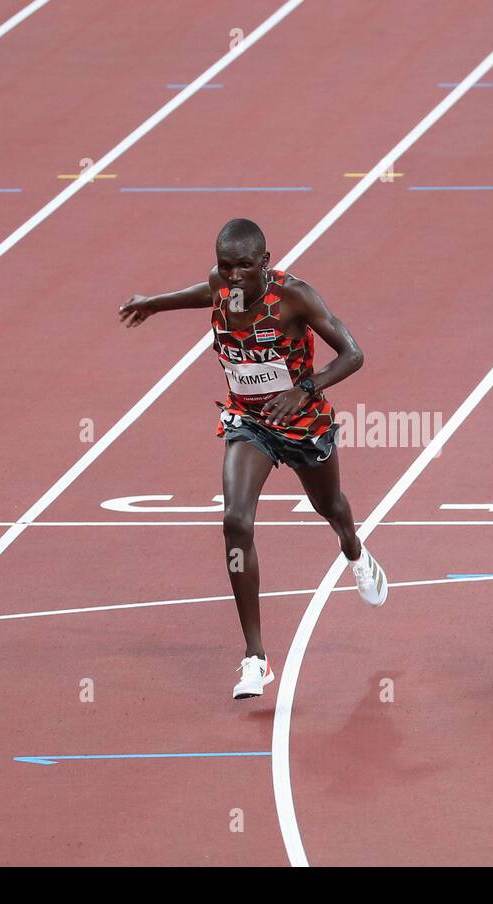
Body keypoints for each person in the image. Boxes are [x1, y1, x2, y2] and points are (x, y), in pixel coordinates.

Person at [119, 219, 387, 699]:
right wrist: (154, 304)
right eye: (226, 267)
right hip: (249, 421)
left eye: (245, 266)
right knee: (235, 521)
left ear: (265, 262)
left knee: (331, 506)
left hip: (303, 421)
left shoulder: (295, 296)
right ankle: (255, 658)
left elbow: (353, 354)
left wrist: (304, 389)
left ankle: (354, 549)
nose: (234, 276)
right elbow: (205, 292)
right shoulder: (222, 284)